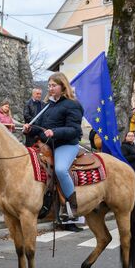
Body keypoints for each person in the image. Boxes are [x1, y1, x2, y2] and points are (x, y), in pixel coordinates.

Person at [23, 73, 85, 223]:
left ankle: (72, 207)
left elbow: (74, 130)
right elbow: (40, 128)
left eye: (53, 85)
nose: (50, 88)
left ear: (63, 86)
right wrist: (29, 129)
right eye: (49, 85)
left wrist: (55, 132)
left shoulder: (72, 104)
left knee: (61, 169)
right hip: (47, 146)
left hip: (66, 145)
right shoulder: (47, 106)